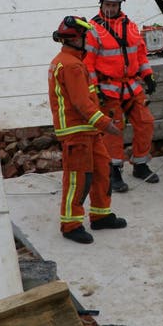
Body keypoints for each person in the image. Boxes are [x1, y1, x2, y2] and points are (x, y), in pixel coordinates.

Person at [48, 15, 127, 244]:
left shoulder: (71, 61)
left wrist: (99, 123)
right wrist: (106, 124)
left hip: (88, 130)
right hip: (77, 132)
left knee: (102, 170)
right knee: (78, 178)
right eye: (84, 37)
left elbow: (86, 100)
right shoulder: (71, 65)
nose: (88, 41)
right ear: (75, 39)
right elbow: (82, 104)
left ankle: (100, 215)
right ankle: (71, 225)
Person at [84, 0, 158, 192]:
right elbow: (88, 64)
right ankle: (113, 171)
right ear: (101, 4)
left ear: (120, 5)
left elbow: (140, 54)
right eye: (107, 4)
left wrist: (148, 75)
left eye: (114, 5)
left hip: (131, 86)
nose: (110, 8)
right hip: (108, 89)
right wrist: (94, 90)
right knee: (113, 129)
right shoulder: (93, 30)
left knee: (146, 122)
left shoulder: (131, 26)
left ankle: (140, 165)